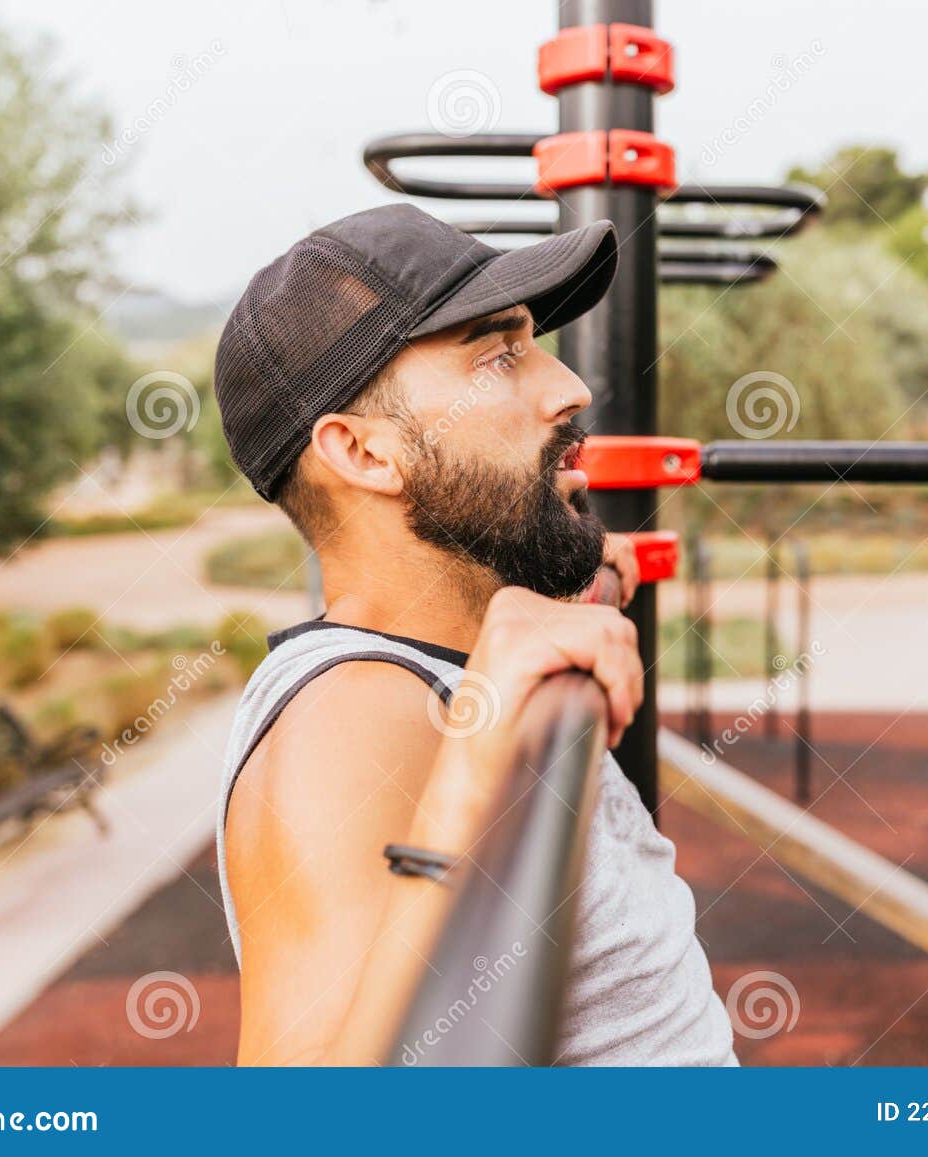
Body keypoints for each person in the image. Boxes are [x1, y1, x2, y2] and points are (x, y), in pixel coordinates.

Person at [211, 203, 737, 1066]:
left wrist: (556, 569)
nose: (570, 387)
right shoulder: (354, 715)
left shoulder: (445, 662)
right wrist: (480, 748)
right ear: (367, 454)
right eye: (498, 356)